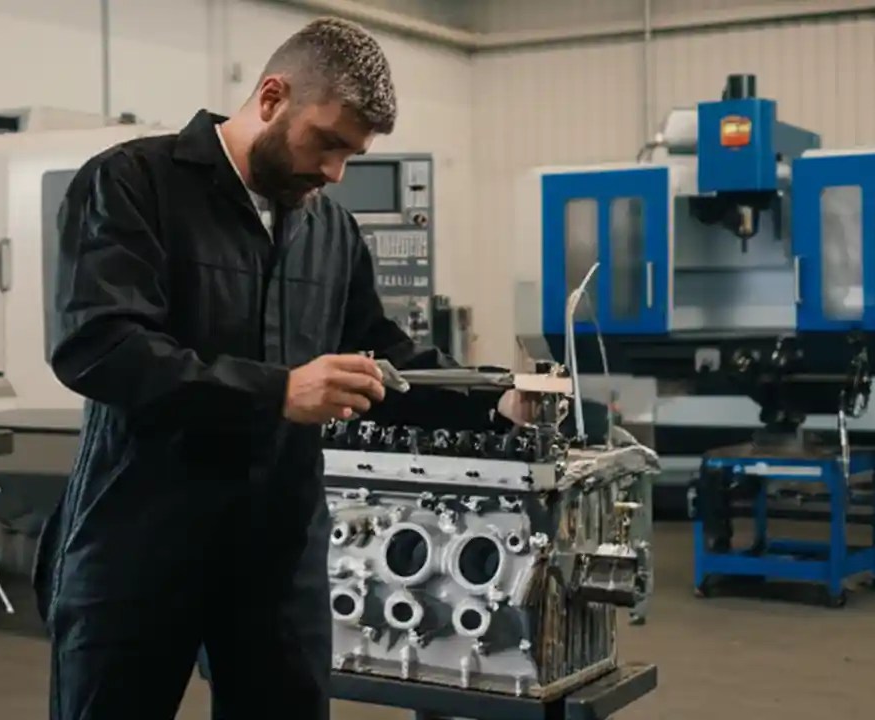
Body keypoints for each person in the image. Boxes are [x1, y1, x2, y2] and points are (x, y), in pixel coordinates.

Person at [37, 16, 526, 720]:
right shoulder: (133, 183)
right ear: (271, 97)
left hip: (276, 552)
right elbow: (100, 345)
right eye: (326, 143)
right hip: (140, 542)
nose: (334, 172)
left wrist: (494, 402)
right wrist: (279, 392)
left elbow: (383, 356)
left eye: (351, 155)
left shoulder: (328, 227)